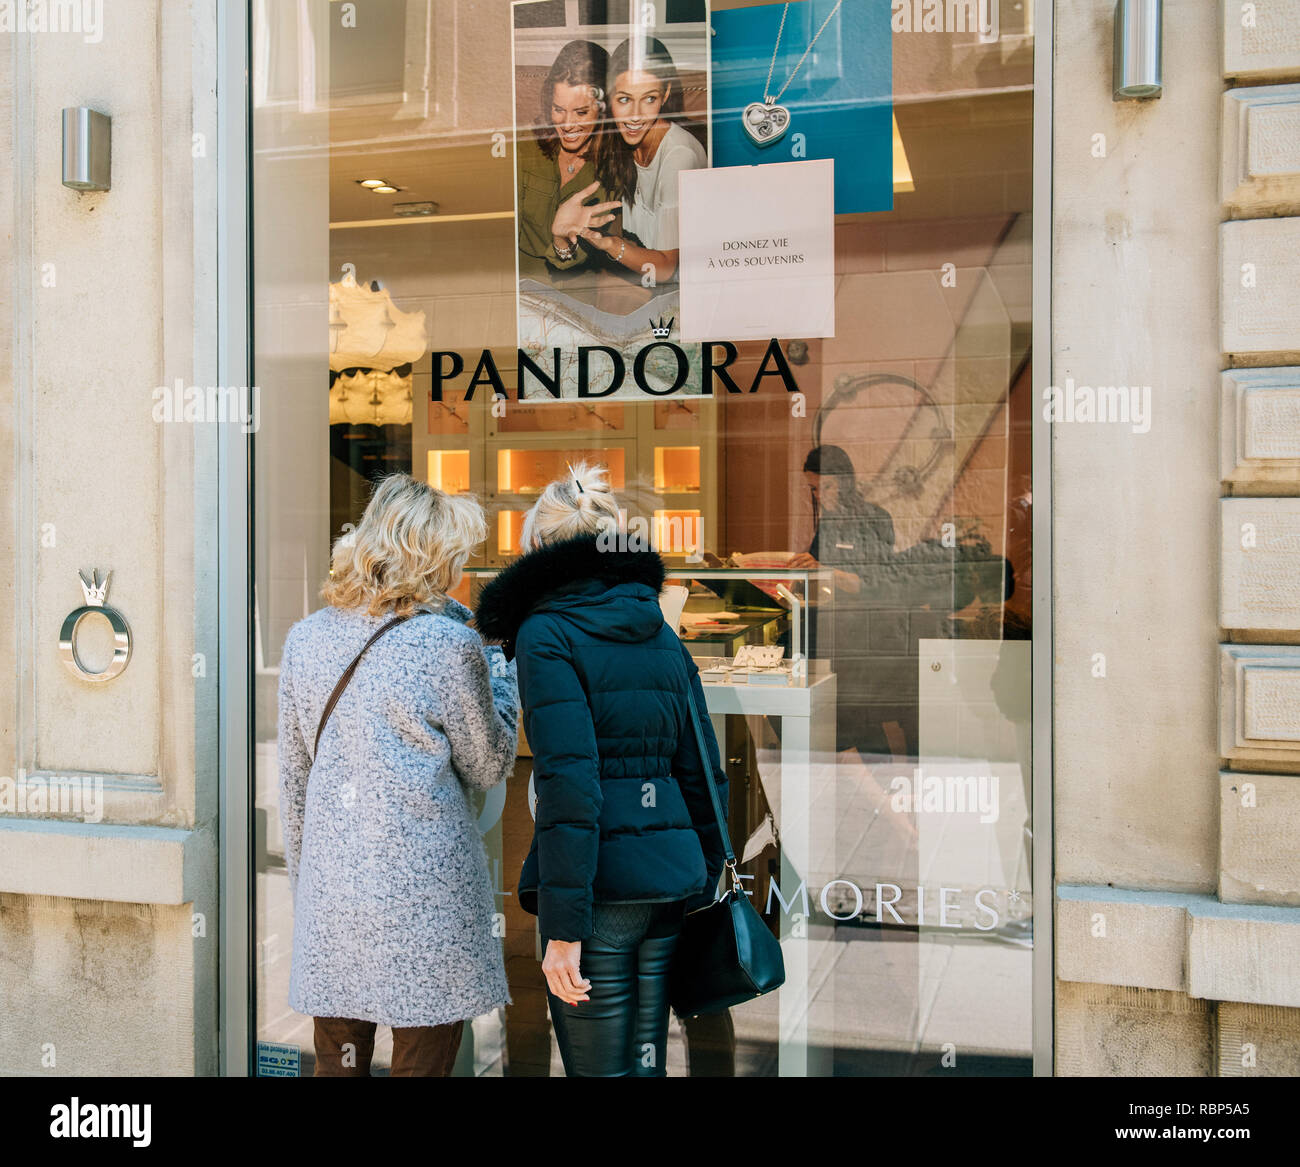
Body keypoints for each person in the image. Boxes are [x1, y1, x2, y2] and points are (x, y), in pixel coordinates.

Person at [474, 463, 727, 1078]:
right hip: (668, 881)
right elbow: (702, 768)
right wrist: (704, 872)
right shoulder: (660, 629)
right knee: (647, 1065)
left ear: (536, 547)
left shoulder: (546, 631)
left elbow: (569, 784)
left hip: (600, 892)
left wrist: (563, 931)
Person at [277, 474, 519, 1077]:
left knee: (338, 1063)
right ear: (432, 559)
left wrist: (311, 891)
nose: (459, 569)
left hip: (335, 898)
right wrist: (501, 668)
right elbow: (490, 762)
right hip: (427, 909)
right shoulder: (449, 645)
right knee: (423, 1066)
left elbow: (294, 784)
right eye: (454, 557)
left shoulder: (305, 640)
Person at [568, 35, 706, 283]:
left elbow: (665, 271)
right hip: (634, 276)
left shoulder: (679, 157)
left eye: (649, 99)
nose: (635, 116)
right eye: (624, 100)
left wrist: (611, 245)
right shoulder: (617, 142)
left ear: (664, 97)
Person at [517, 40, 624, 283]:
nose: (567, 124)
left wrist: (561, 241)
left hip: (572, 286)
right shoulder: (525, 149)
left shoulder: (614, 166)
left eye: (581, 112)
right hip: (517, 280)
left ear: (602, 109)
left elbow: (580, 259)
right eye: (558, 109)